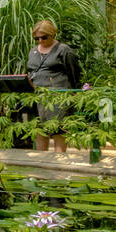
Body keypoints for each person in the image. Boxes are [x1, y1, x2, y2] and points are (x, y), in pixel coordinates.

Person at [27, 19, 80, 153]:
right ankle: (41, 162)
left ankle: (59, 161)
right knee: (39, 130)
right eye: (37, 38)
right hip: (37, 96)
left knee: (59, 130)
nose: (40, 41)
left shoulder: (63, 50)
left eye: (44, 37)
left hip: (58, 96)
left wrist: (73, 94)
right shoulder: (33, 51)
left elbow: (74, 73)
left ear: (52, 35)